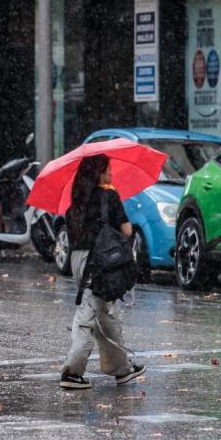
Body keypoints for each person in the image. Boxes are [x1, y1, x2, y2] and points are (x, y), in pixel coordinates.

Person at [59, 154, 146, 389]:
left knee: (103, 313)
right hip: (99, 262)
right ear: (99, 174)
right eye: (108, 170)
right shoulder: (109, 196)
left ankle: (122, 368)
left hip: (78, 259)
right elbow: (126, 231)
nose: (111, 174)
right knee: (87, 314)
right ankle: (72, 372)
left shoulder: (75, 202)